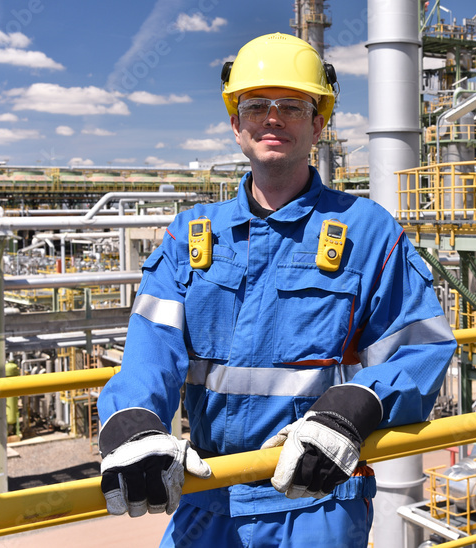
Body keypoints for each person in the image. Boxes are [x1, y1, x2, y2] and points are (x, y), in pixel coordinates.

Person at [96, 32, 456, 547]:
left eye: (292, 106)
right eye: (256, 105)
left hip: (317, 500)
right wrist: (133, 420)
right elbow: (150, 353)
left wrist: (352, 408)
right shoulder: (192, 235)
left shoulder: (367, 232)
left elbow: (422, 348)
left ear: (318, 124)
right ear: (235, 123)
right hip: (208, 494)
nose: (272, 118)